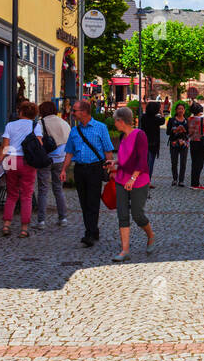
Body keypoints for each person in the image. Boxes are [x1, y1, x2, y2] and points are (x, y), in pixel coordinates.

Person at [61, 99, 114, 248]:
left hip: (95, 169)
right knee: (84, 202)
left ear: (83, 112)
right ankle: (93, 229)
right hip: (80, 169)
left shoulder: (100, 128)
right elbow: (69, 152)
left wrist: (110, 170)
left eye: (75, 111)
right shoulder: (74, 131)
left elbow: (108, 150)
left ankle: (89, 233)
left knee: (93, 201)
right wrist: (64, 169)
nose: (72, 113)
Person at [111, 106, 155, 262]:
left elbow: (142, 160)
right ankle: (125, 250)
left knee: (137, 214)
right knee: (122, 214)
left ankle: (150, 235)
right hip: (121, 179)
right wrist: (115, 162)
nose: (114, 124)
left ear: (121, 121)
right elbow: (127, 158)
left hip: (138, 181)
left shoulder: (140, 135)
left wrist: (133, 178)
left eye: (115, 120)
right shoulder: (123, 137)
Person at [0, 100, 43, 238]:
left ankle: (6, 225)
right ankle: (24, 228)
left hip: (11, 159)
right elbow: (39, 144)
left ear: (21, 112)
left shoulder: (10, 125)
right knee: (26, 195)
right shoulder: (35, 126)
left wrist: (0, 162)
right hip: (27, 161)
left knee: (11, 194)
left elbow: (5, 146)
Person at [34, 100, 70, 228]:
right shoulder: (64, 123)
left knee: (43, 190)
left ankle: (41, 221)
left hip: (46, 159)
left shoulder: (40, 123)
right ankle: (63, 218)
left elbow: (37, 142)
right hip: (61, 160)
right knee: (58, 189)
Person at [187, 102, 204, 190]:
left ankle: (193, 183)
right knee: (200, 163)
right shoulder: (203, 120)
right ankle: (196, 184)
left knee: (194, 163)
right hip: (201, 143)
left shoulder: (189, 119)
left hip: (192, 142)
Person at [140, 100, 164, 188]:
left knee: (144, 163)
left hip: (143, 143)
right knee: (150, 163)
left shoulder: (143, 117)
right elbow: (163, 120)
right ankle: (147, 181)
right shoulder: (156, 119)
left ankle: (143, 180)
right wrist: (161, 112)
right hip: (153, 144)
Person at [167, 102, 189, 186]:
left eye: (182, 109)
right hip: (174, 143)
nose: (180, 110)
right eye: (179, 109)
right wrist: (175, 130)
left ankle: (181, 180)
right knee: (174, 162)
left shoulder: (187, 120)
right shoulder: (172, 120)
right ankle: (175, 179)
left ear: (184, 110)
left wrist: (184, 130)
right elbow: (167, 132)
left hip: (184, 144)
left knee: (183, 163)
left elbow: (189, 133)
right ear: (176, 110)